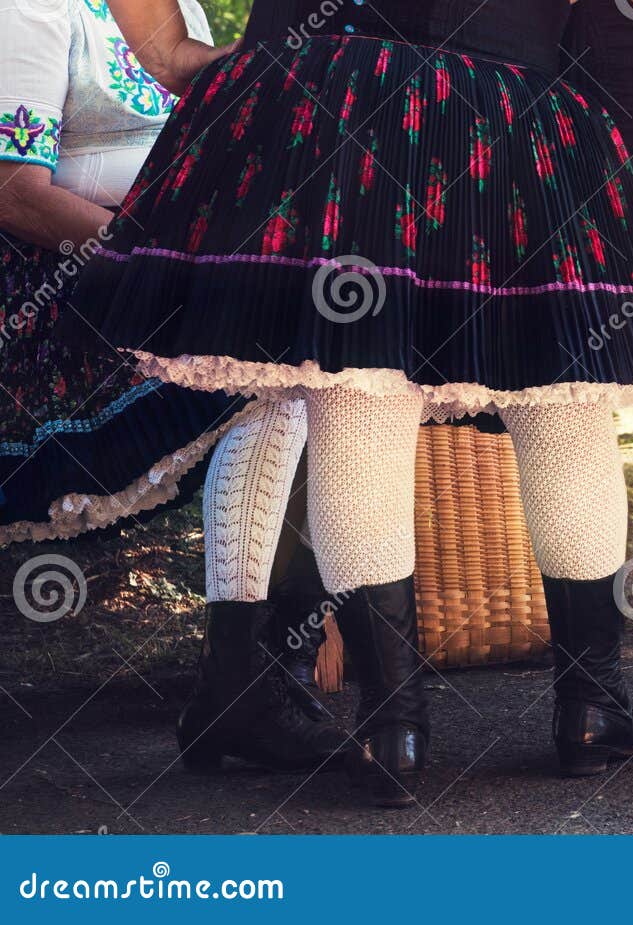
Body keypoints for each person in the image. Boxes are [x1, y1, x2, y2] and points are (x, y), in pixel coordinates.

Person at [77, 0, 633, 803]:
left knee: (358, 400)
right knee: (565, 404)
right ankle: (590, 710)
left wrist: (167, 54)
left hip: (322, 94)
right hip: (507, 98)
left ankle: (394, 733)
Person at [0, 0, 342, 770]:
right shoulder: (27, 9)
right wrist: (151, 261)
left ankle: (266, 667)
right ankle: (244, 684)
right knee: (276, 360)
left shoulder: (173, 9)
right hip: (67, 289)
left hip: (168, 268)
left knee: (335, 348)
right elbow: (13, 193)